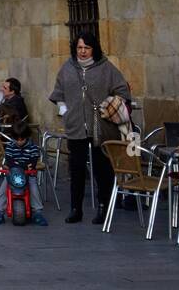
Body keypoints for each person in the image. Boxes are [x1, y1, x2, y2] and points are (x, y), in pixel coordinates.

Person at [49, 29, 131, 225]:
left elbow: (123, 91)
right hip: (76, 126)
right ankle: (75, 209)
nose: (83, 51)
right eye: (79, 47)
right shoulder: (67, 68)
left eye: (86, 47)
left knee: (103, 170)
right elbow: (57, 92)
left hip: (101, 127)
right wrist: (64, 109)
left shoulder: (106, 68)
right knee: (76, 169)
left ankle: (104, 207)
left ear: (94, 48)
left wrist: (109, 104)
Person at [0, 118, 47, 226]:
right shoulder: (10, 147)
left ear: (27, 137)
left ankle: (37, 212)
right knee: (3, 188)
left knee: (34, 187)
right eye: (17, 139)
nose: (19, 141)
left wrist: (23, 165)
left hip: (27, 174)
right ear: (13, 137)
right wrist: (19, 165)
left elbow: (33, 161)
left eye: (22, 139)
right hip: (12, 174)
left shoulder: (32, 148)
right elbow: (9, 161)